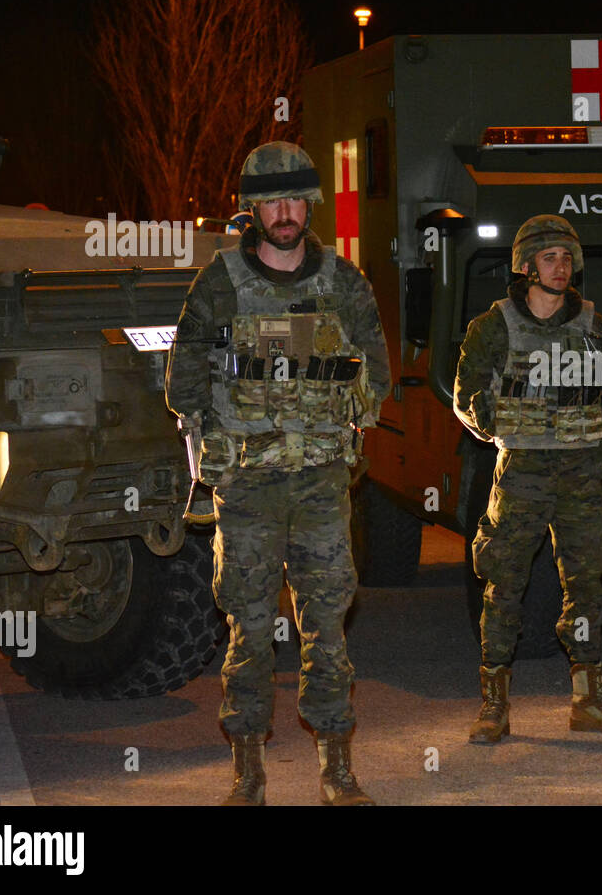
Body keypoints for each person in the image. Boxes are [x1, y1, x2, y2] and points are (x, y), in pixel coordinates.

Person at [165, 141, 391, 804]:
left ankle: (337, 765)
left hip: (321, 481)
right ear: (253, 210)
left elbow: (375, 370)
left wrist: (348, 419)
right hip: (249, 487)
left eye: (295, 200)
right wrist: (210, 440)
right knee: (250, 624)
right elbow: (184, 381)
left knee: (327, 621)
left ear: (310, 206)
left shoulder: (343, 283)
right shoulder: (220, 283)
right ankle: (248, 766)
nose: (285, 212)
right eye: (272, 202)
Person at [454, 214, 602, 743]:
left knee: (586, 584)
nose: (561, 268)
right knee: (503, 583)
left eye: (566, 258)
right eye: (549, 258)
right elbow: (468, 398)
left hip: (580, 475)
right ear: (525, 266)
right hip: (523, 474)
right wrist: (511, 427)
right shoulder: (494, 325)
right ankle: (494, 704)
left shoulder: (593, 326)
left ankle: (588, 697)